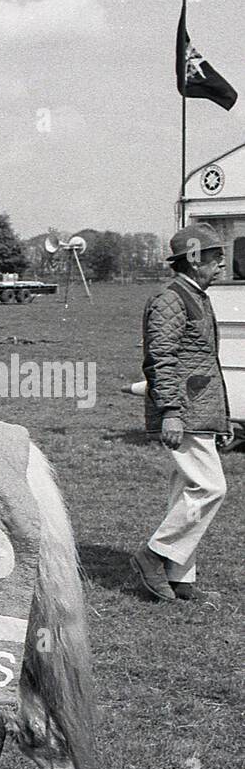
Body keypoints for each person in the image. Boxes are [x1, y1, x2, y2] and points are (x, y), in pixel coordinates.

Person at [131, 223, 231, 602]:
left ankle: (182, 579)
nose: (222, 263)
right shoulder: (171, 299)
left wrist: (219, 420)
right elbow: (160, 360)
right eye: (214, 256)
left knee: (185, 492)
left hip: (199, 410)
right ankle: (153, 555)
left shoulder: (196, 296)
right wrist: (170, 411)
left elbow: (201, 362)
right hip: (183, 411)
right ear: (192, 260)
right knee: (210, 488)